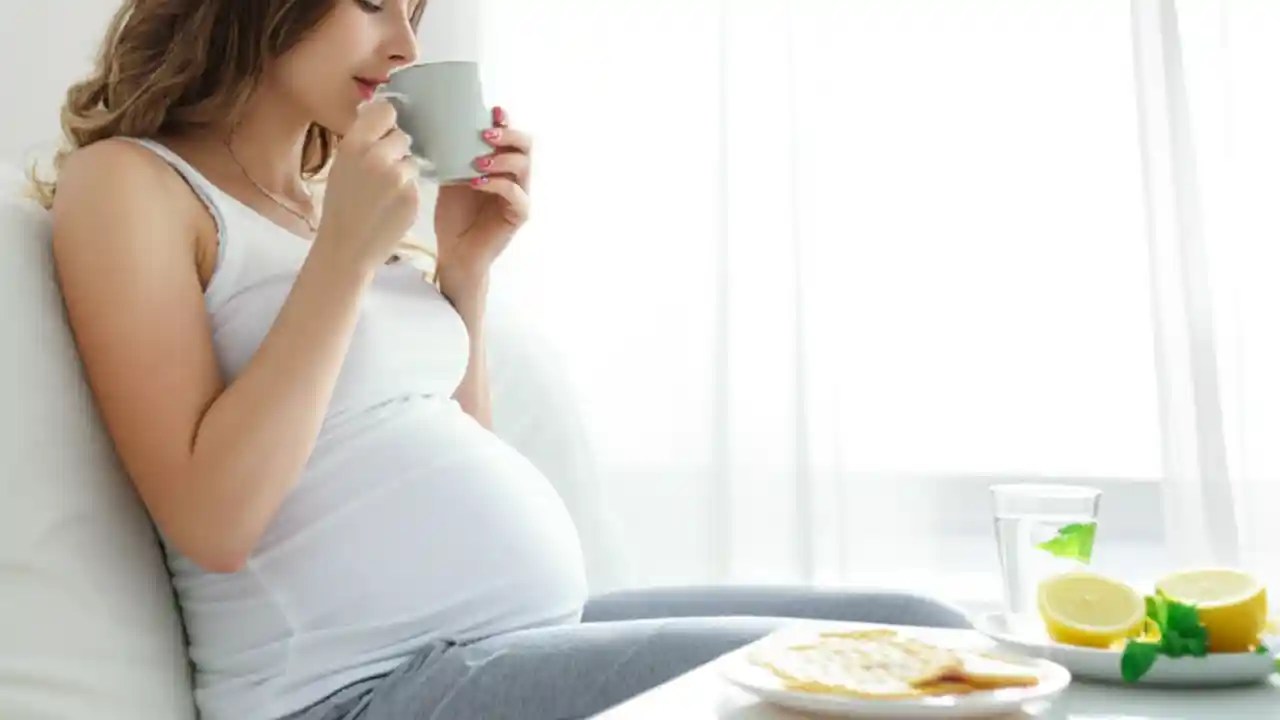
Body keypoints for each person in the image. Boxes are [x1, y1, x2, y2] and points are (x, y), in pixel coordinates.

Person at [33, 1, 969, 718]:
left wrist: (464, 271)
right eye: (371, 5)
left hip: (498, 645)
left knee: (929, 628)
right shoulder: (133, 183)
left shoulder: (333, 201)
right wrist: (347, 257)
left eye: (414, 11)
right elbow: (213, 520)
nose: (404, 47)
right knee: (879, 682)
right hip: (354, 691)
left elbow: (448, 446)